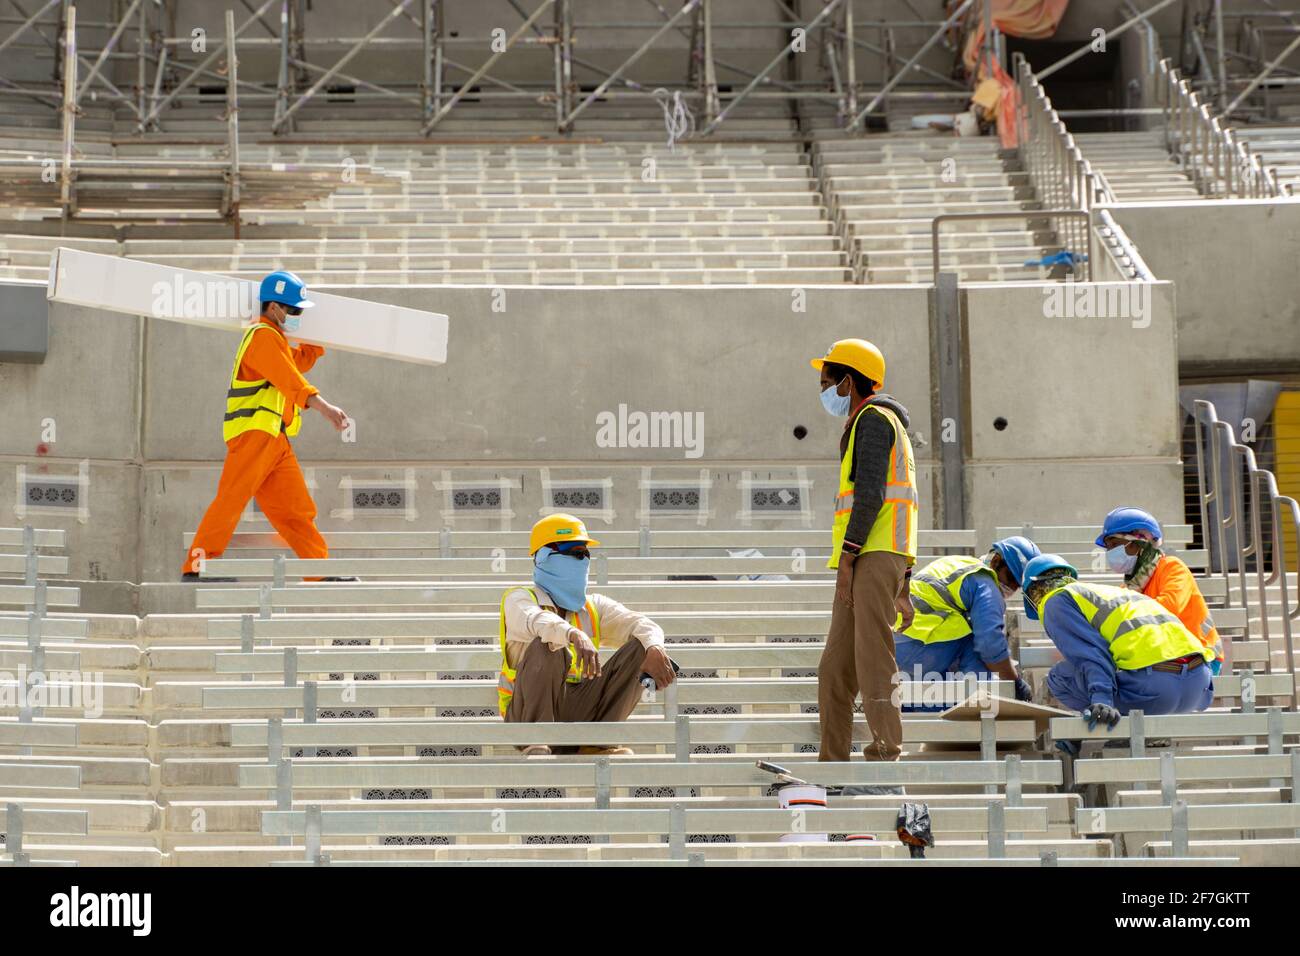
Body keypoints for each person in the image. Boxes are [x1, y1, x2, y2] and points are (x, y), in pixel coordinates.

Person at [181, 271, 354, 582]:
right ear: (275, 308)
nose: (298, 316)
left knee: (296, 510)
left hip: (274, 439)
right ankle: (197, 567)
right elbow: (291, 380)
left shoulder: (275, 340)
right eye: (295, 310)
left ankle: (319, 570)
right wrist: (325, 408)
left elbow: (298, 362)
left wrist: (318, 339)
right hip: (254, 435)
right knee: (231, 500)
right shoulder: (261, 337)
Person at [811, 338, 918, 762]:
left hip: (869, 557)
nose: (823, 391)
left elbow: (872, 497)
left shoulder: (874, 420)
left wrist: (849, 559)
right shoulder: (870, 423)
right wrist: (904, 580)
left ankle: (885, 755)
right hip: (872, 557)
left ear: (848, 382)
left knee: (874, 659)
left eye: (827, 382)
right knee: (835, 670)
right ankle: (833, 765)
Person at [499, 514, 677, 756]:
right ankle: (537, 741)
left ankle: (597, 742)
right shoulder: (519, 599)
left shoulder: (593, 606)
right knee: (549, 643)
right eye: (574, 552)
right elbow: (539, 621)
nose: (582, 560)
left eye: (585, 553)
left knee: (641, 646)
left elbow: (640, 623)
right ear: (543, 557)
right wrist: (573, 634)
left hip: (580, 710)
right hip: (526, 715)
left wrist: (654, 646)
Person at [1020, 554, 1213, 732]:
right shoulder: (1109, 593)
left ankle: (1102, 726)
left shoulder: (1054, 600)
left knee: (1059, 677)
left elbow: (1090, 655)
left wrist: (1102, 700)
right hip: (1199, 688)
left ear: (1034, 591)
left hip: (1155, 692)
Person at [894, 537, 1041, 703]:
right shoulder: (985, 581)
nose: (1012, 587)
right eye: (1011, 578)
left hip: (899, 644)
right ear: (996, 561)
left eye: (1017, 585)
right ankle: (979, 706)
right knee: (978, 642)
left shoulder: (962, 565)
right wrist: (1014, 683)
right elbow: (990, 644)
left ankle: (934, 708)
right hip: (921, 643)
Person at [1096, 506, 1223, 674]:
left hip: (1200, 656)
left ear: (1139, 543)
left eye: (1115, 544)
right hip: (1165, 656)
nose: (1110, 552)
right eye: (1108, 547)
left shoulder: (1172, 567)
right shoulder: (1128, 587)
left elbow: (1169, 608)